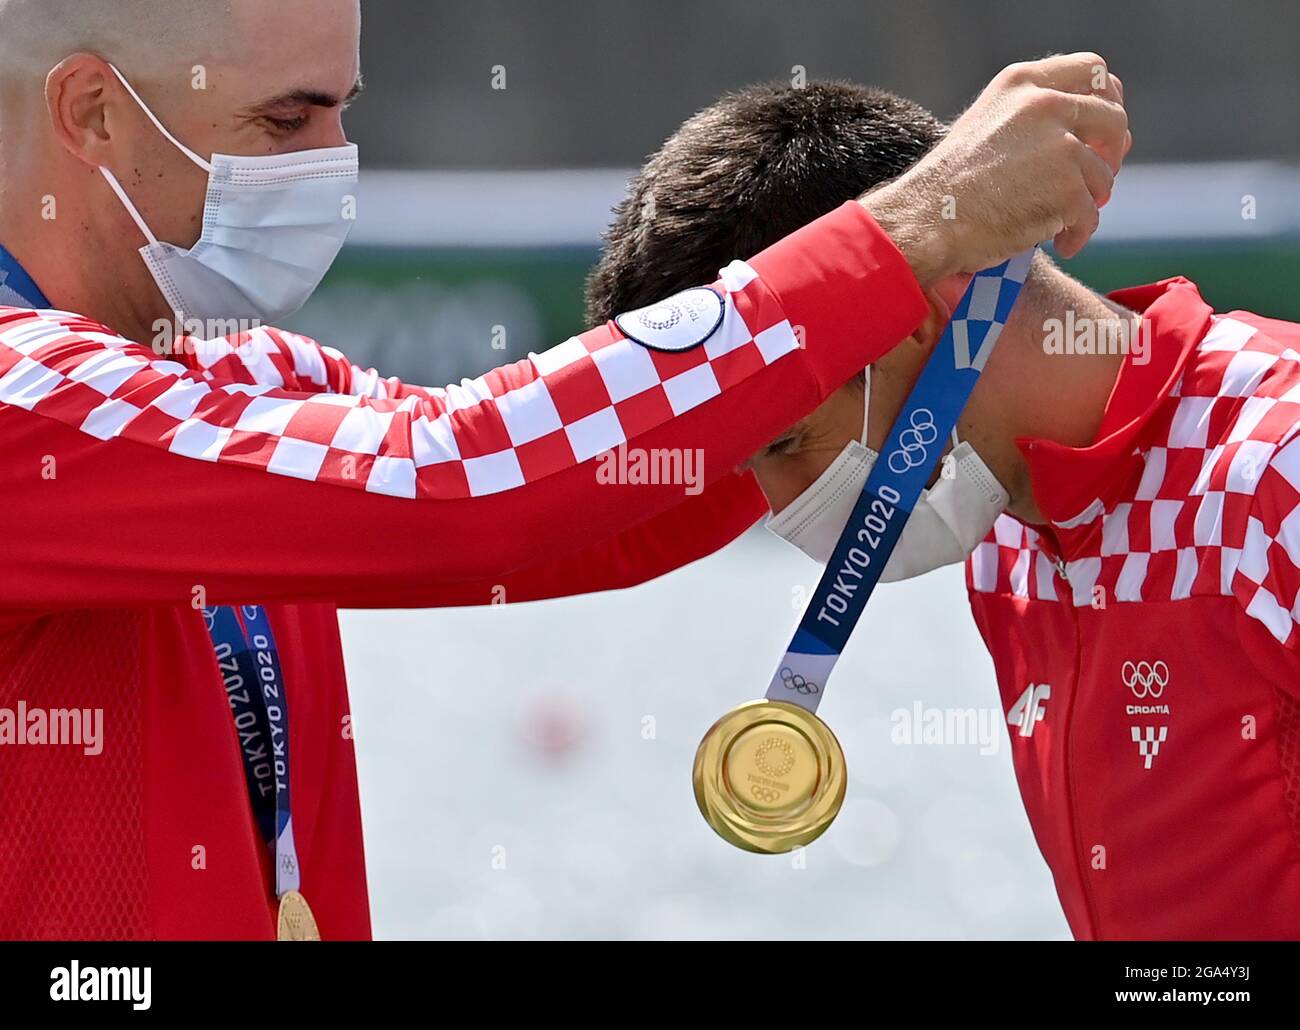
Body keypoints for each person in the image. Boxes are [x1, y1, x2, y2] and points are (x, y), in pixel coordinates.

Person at [0, 0, 1128, 940]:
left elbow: (583, 500)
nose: (332, 168)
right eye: (285, 119)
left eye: (342, 113)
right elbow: (462, 483)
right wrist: (909, 232)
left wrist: (874, 409)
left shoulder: (222, 370)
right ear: (93, 113)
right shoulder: (22, 398)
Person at [586, 79, 1300, 940]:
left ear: (908, 323)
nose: (776, 511)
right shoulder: (1010, 529)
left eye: (780, 444)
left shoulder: (1278, 468)